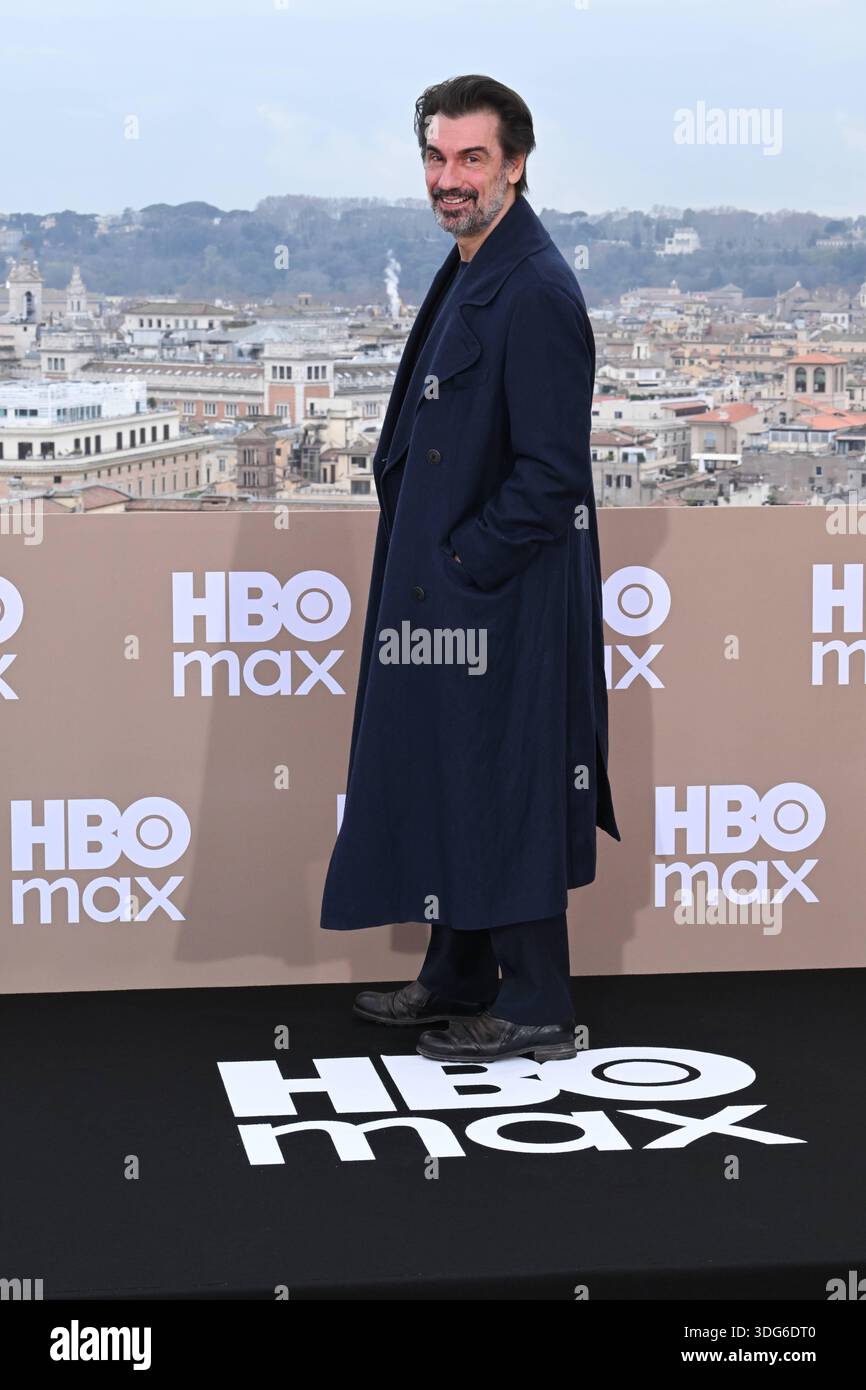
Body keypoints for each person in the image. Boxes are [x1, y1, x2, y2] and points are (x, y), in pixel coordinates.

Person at [320, 74, 620, 1064]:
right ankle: (456, 974)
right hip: (453, 595)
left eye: (470, 158)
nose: (448, 179)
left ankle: (536, 1004)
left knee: (508, 782)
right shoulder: (476, 259)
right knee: (454, 776)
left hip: (500, 599)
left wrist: (461, 563)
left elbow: (548, 475)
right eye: (436, 158)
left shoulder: (533, 285)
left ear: (515, 164)